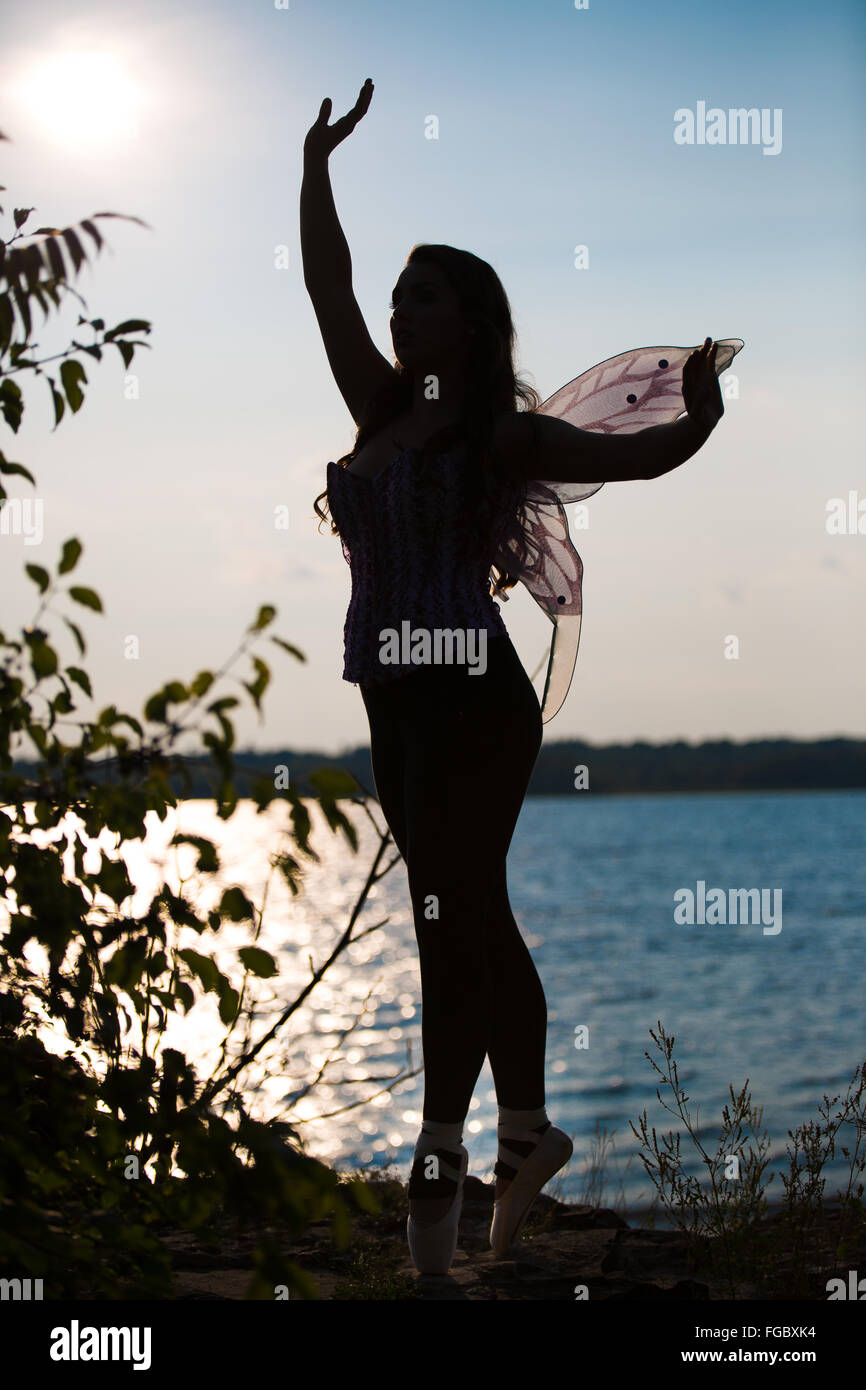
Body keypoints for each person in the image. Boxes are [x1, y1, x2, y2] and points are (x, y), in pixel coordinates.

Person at [302, 80, 725, 1276]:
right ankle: (527, 1135)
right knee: (470, 907)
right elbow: (324, 284)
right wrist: (314, 163)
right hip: (391, 697)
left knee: (448, 916)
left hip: (476, 698)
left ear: (471, 321)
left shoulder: (493, 430)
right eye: (399, 296)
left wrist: (701, 414)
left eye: (423, 295)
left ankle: (436, 1173)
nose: (397, 308)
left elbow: (637, 456)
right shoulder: (377, 408)